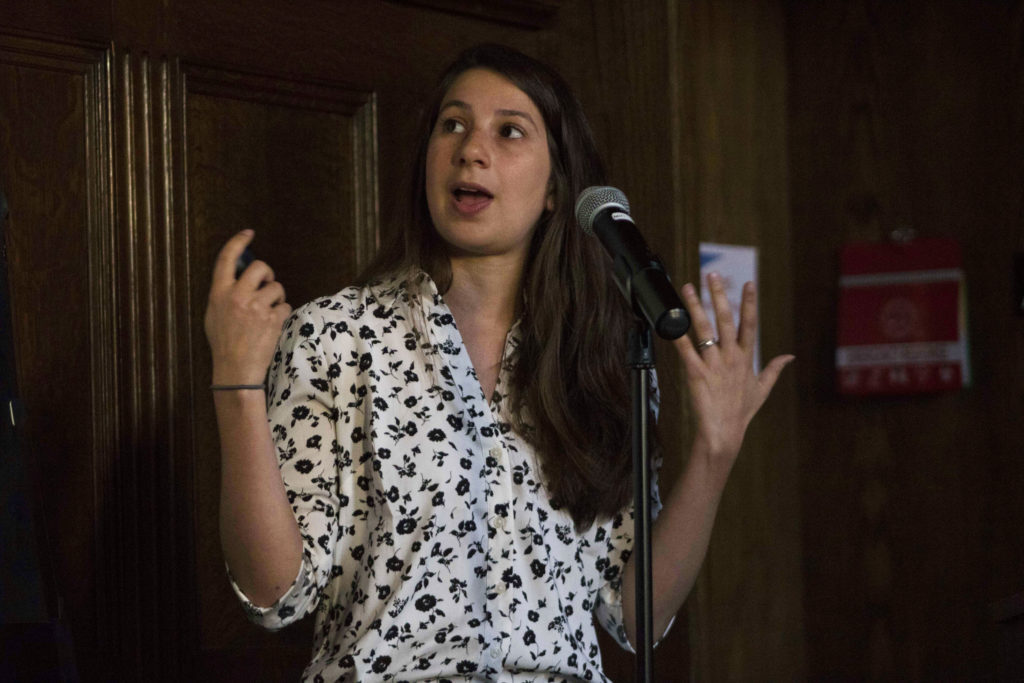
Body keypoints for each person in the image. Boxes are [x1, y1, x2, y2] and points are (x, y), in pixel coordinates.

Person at [204, 43, 792, 682]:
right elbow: (273, 594)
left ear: (555, 190)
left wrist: (716, 450)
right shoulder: (337, 336)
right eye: (452, 124)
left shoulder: (601, 358)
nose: (470, 148)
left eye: (509, 131)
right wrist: (237, 385)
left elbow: (634, 617)